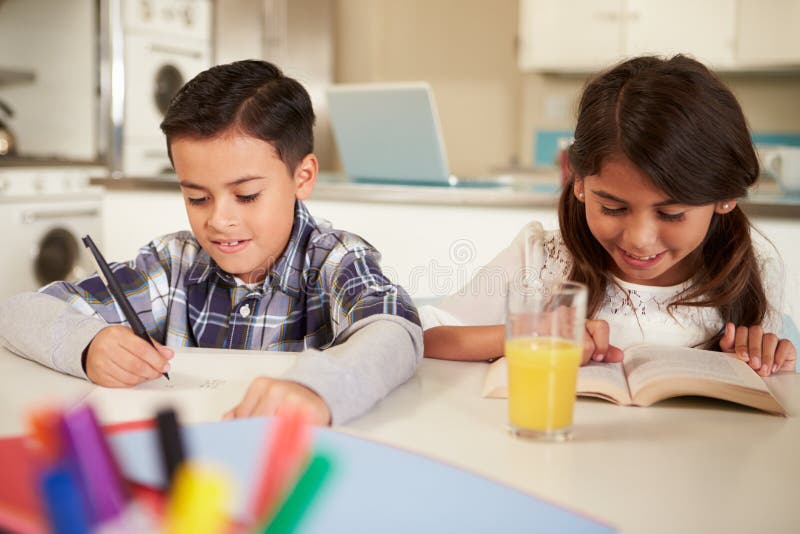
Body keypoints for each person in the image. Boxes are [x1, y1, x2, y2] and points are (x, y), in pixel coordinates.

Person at [0, 60, 422, 425]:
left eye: (247, 195)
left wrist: (321, 389)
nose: (219, 220)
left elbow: (395, 331)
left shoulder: (334, 259)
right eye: (197, 197)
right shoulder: (172, 263)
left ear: (303, 177)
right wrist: (87, 344)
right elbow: (15, 311)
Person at [422, 55, 797, 375]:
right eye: (613, 208)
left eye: (671, 214)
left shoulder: (750, 275)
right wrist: (528, 334)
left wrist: (758, 361)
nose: (639, 238)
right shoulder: (539, 258)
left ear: (725, 197)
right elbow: (422, 336)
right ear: (579, 181)